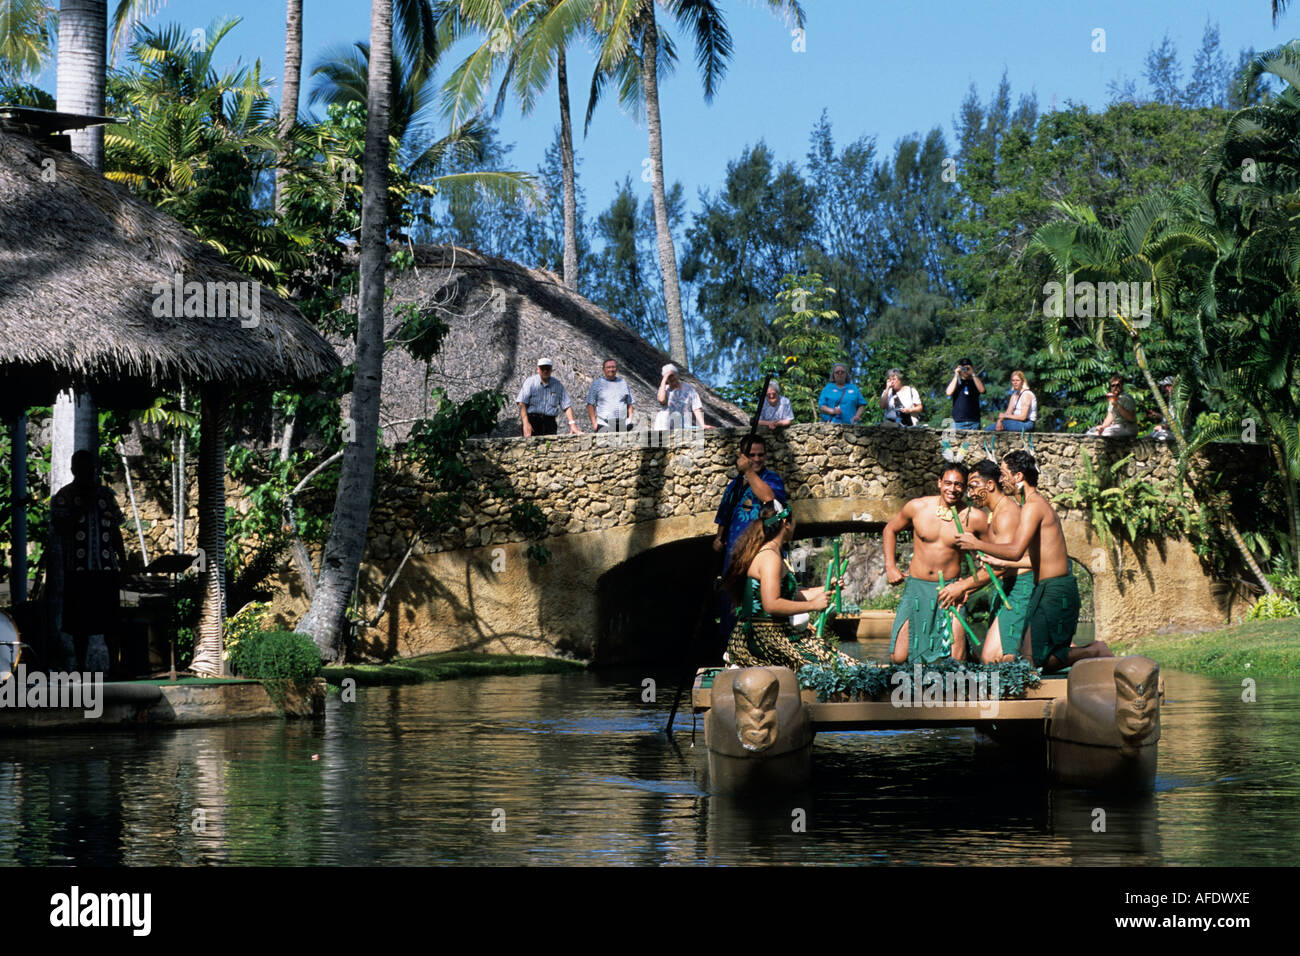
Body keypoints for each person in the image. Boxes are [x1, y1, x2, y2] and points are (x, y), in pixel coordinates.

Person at [956, 450, 1114, 671]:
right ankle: (1089, 655)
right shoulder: (1029, 505)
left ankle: (1094, 651)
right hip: (1044, 588)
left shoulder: (1033, 506)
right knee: (1028, 657)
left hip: (1055, 589)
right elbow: (1030, 558)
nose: (1001, 480)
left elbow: (1014, 550)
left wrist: (977, 544)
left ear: (1018, 476)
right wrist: (1001, 562)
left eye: (1003, 474)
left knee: (1032, 661)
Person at [882, 461, 989, 663]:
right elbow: (890, 529)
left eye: (958, 485)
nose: (953, 489)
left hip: (949, 590)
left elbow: (994, 559)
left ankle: (968, 653)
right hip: (916, 587)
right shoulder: (917, 507)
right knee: (899, 657)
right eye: (948, 483)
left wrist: (966, 587)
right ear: (939, 483)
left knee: (956, 659)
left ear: (965, 487)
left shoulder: (974, 518)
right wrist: (890, 566)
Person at [722, 500, 848, 670]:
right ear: (785, 523)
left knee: (834, 657)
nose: (796, 525)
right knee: (835, 665)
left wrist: (827, 588)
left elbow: (789, 592)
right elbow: (772, 604)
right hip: (763, 639)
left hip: (768, 635)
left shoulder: (772, 553)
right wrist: (812, 605)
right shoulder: (769, 557)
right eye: (794, 521)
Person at [941, 460, 1034, 663]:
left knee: (992, 657)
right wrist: (968, 589)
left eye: (974, 487)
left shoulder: (1007, 514)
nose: (970, 494)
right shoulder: (994, 513)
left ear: (990, 485)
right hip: (1006, 586)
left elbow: (1000, 566)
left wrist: (961, 586)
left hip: (1021, 587)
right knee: (982, 652)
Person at [49, 450, 128, 673]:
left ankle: (115, 668)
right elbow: (61, 529)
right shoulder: (63, 497)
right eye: (83, 468)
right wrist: (82, 506)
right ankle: (81, 668)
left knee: (111, 623)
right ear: (74, 470)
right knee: (79, 625)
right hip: (78, 570)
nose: (88, 473)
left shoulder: (106, 495)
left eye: (91, 468)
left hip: (105, 568)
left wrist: (123, 561)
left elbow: (115, 531)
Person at [714, 435, 786, 567]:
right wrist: (719, 538)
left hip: (761, 552)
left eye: (761, 455)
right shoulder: (733, 486)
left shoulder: (773, 479)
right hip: (734, 554)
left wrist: (748, 471)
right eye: (752, 455)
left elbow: (769, 499)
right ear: (742, 457)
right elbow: (724, 516)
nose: (757, 459)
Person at [517, 358, 582, 437]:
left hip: (550, 422)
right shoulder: (530, 382)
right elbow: (521, 403)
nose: (545, 371)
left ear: (551, 369)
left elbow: (567, 405)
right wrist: (525, 423)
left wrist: (572, 424)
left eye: (547, 368)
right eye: (542, 368)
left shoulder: (557, 385)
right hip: (533, 421)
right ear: (538, 369)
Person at [586, 358, 635, 432]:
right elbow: (590, 404)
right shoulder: (597, 384)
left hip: (623, 425)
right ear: (603, 369)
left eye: (613, 367)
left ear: (616, 369)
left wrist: (630, 419)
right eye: (608, 367)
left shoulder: (623, 383)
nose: (611, 369)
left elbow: (630, 403)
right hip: (604, 425)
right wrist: (594, 423)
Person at [657, 364, 706, 429]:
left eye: (672, 375)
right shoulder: (664, 389)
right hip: (665, 425)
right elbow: (661, 400)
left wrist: (702, 424)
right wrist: (663, 381)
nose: (671, 378)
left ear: (677, 375)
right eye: (668, 377)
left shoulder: (689, 389)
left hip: (683, 425)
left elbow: (696, 407)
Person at [945, 358, 984, 429]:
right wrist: (956, 375)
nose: (965, 371)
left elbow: (982, 390)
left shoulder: (976, 381)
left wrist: (973, 374)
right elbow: (948, 392)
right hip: (958, 422)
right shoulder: (955, 382)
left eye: (967, 368)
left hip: (974, 422)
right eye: (963, 368)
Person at [1149, 376, 1175, 441]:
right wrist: (1156, 414)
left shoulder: (1179, 402)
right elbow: (1169, 419)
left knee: (1158, 438)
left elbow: (1177, 423)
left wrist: (1162, 427)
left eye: (1169, 385)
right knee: (1146, 438)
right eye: (1165, 386)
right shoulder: (1171, 402)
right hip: (1169, 432)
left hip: (1178, 434)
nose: (1167, 388)